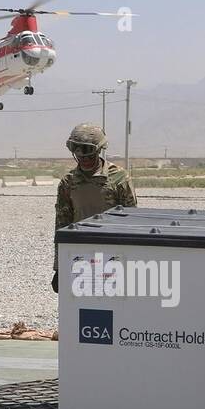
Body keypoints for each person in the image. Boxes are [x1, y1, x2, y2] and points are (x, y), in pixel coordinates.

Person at [51, 123, 136, 292]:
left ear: (98, 151)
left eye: (89, 155)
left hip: (112, 252)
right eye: (80, 156)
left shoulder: (119, 178)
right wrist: (59, 266)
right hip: (80, 254)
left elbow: (132, 221)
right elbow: (62, 225)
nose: (84, 160)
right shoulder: (68, 182)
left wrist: (131, 261)